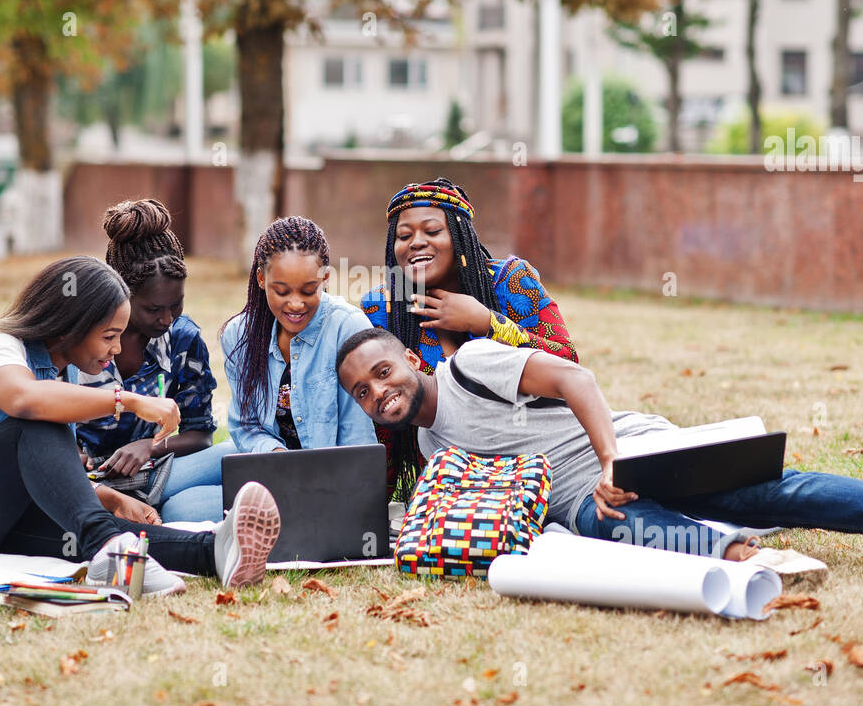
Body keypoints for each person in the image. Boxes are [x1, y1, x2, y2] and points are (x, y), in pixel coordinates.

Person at [335, 327, 863, 575]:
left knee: (776, 489)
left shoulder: (470, 364)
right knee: (602, 521)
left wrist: (612, 462)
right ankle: (752, 560)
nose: (378, 392)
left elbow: (576, 378)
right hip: (582, 503)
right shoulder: (428, 443)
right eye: (363, 392)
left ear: (409, 358)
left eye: (383, 373)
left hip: (632, 452)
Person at [0, 256, 281, 594]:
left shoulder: (64, 375)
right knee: (45, 431)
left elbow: (39, 471)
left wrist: (106, 496)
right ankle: (109, 548)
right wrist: (129, 401)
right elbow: (23, 401)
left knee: (88, 528)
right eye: (109, 336)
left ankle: (214, 552)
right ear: (69, 327)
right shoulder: (2, 346)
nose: (116, 348)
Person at [360, 177, 578, 494]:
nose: (416, 243)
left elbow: (568, 363)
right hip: (443, 482)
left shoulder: (509, 281)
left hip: (530, 460)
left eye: (432, 231)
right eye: (403, 236)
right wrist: (370, 507)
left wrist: (488, 322)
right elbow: (382, 422)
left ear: (461, 236)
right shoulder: (383, 310)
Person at [76, 198, 233, 522]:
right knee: (182, 509)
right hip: (92, 483)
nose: (167, 319)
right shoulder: (81, 339)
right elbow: (44, 419)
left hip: (163, 469)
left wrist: (150, 446)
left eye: (176, 305)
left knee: (234, 454)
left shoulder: (183, 340)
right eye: (153, 309)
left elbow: (200, 434)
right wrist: (72, 456)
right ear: (121, 292)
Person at [220, 216, 375, 454]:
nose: (295, 304)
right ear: (261, 279)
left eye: (308, 290)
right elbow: (245, 426)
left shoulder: (348, 328)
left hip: (326, 471)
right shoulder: (239, 335)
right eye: (281, 291)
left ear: (325, 278)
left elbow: (357, 436)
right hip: (263, 458)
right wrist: (276, 456)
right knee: (173, 488)